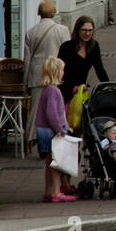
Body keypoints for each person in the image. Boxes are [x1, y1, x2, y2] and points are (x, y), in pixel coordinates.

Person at [22, 0, 69, 151]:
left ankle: (29, 139)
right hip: (55, 71)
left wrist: (25, 81)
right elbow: (67, 53)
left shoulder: (31, 32)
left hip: (36, 73)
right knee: (55, 108)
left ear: (39, 13)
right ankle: (55, 138)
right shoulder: (62, 30)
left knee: (35, 108)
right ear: (54, 12)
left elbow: (27, 59)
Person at [34, 57, 75, 202]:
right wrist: (60, 129)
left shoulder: (47, 90)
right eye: (62, 70)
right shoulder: (53, 91)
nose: (64, 72)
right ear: (57, 72)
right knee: (56, 163)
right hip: (51, 131)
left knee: (49, 163)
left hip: (43, 130)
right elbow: (52, 114)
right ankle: (57, 192)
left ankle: (48, 191)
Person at [58, 16, 109, 104]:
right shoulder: (66, 47)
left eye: (90, 30)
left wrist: (108, 86)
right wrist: (72, 87)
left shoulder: (94, 46)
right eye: (84, 30)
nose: (87, 33)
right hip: (65, 90)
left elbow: (99, 69)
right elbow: (59, 72)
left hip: (81, 91)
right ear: (77, 30)